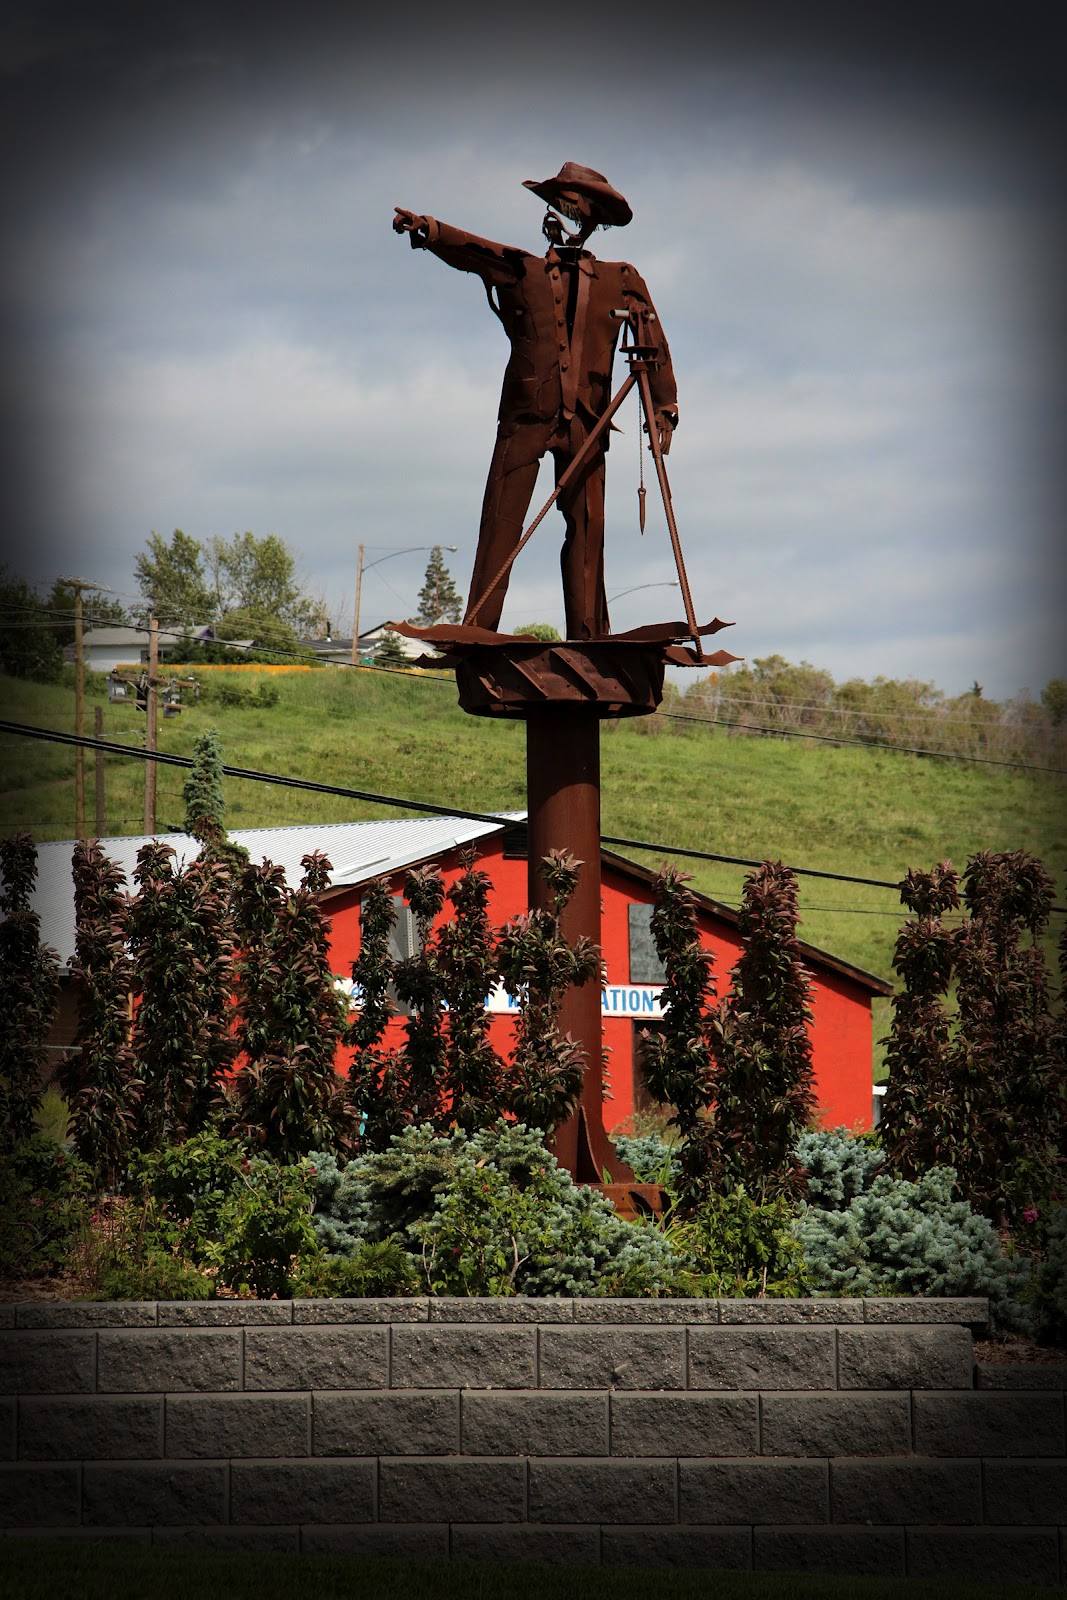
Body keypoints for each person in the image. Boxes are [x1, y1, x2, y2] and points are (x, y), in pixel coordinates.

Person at [393, 162, 678, 639]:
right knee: (502, 520)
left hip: (588, 421)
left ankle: (589, 636)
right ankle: (480, 627)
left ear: (589, 218)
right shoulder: (520, 269)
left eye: (569, 208)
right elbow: (475, 250)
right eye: (555, 206)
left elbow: (654, 346)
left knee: (588, 528)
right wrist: (431, 230)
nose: (557, 216)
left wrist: (663, 409)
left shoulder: (622, 279)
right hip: (525, 417)